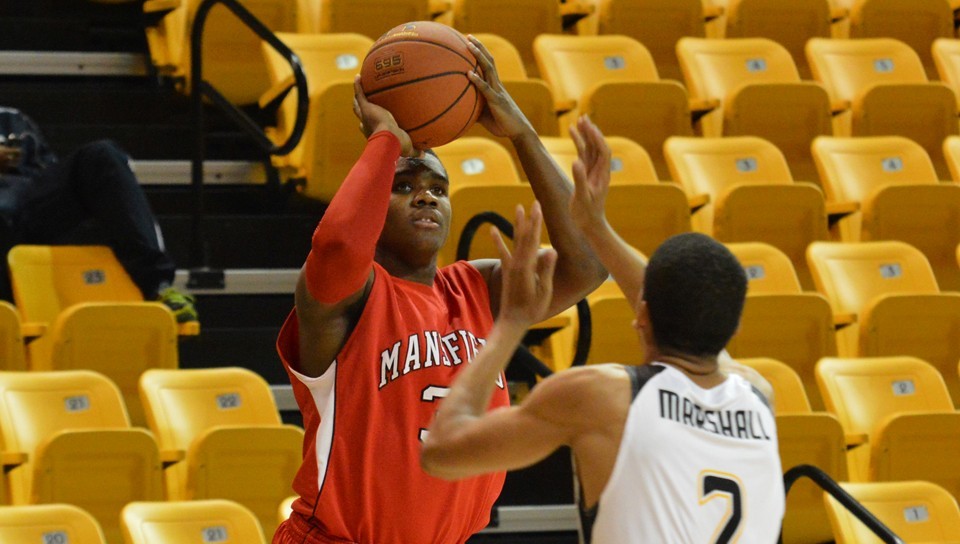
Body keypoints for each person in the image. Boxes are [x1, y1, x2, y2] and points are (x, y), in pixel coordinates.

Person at [272, 35, 607, 544]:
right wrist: (385, 141)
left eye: (437, 189)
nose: (425, 196)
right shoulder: (351, 297)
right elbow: (339, 246)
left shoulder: (478, 288)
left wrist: (520, 135)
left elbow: (588, 265)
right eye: (402, 186)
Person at [422, 118, 785, 542]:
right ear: (734, 326)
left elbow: (441, 451)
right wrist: (595, 228)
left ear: (641, 315)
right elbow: (683, 308)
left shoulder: (602, 396)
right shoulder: (758, 395)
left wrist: (511, 321)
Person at [0, 106, 197, 322]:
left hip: (26, 199)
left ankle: (158, 286)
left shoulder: (12, 118)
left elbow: (48, 172)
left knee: (102, 154)